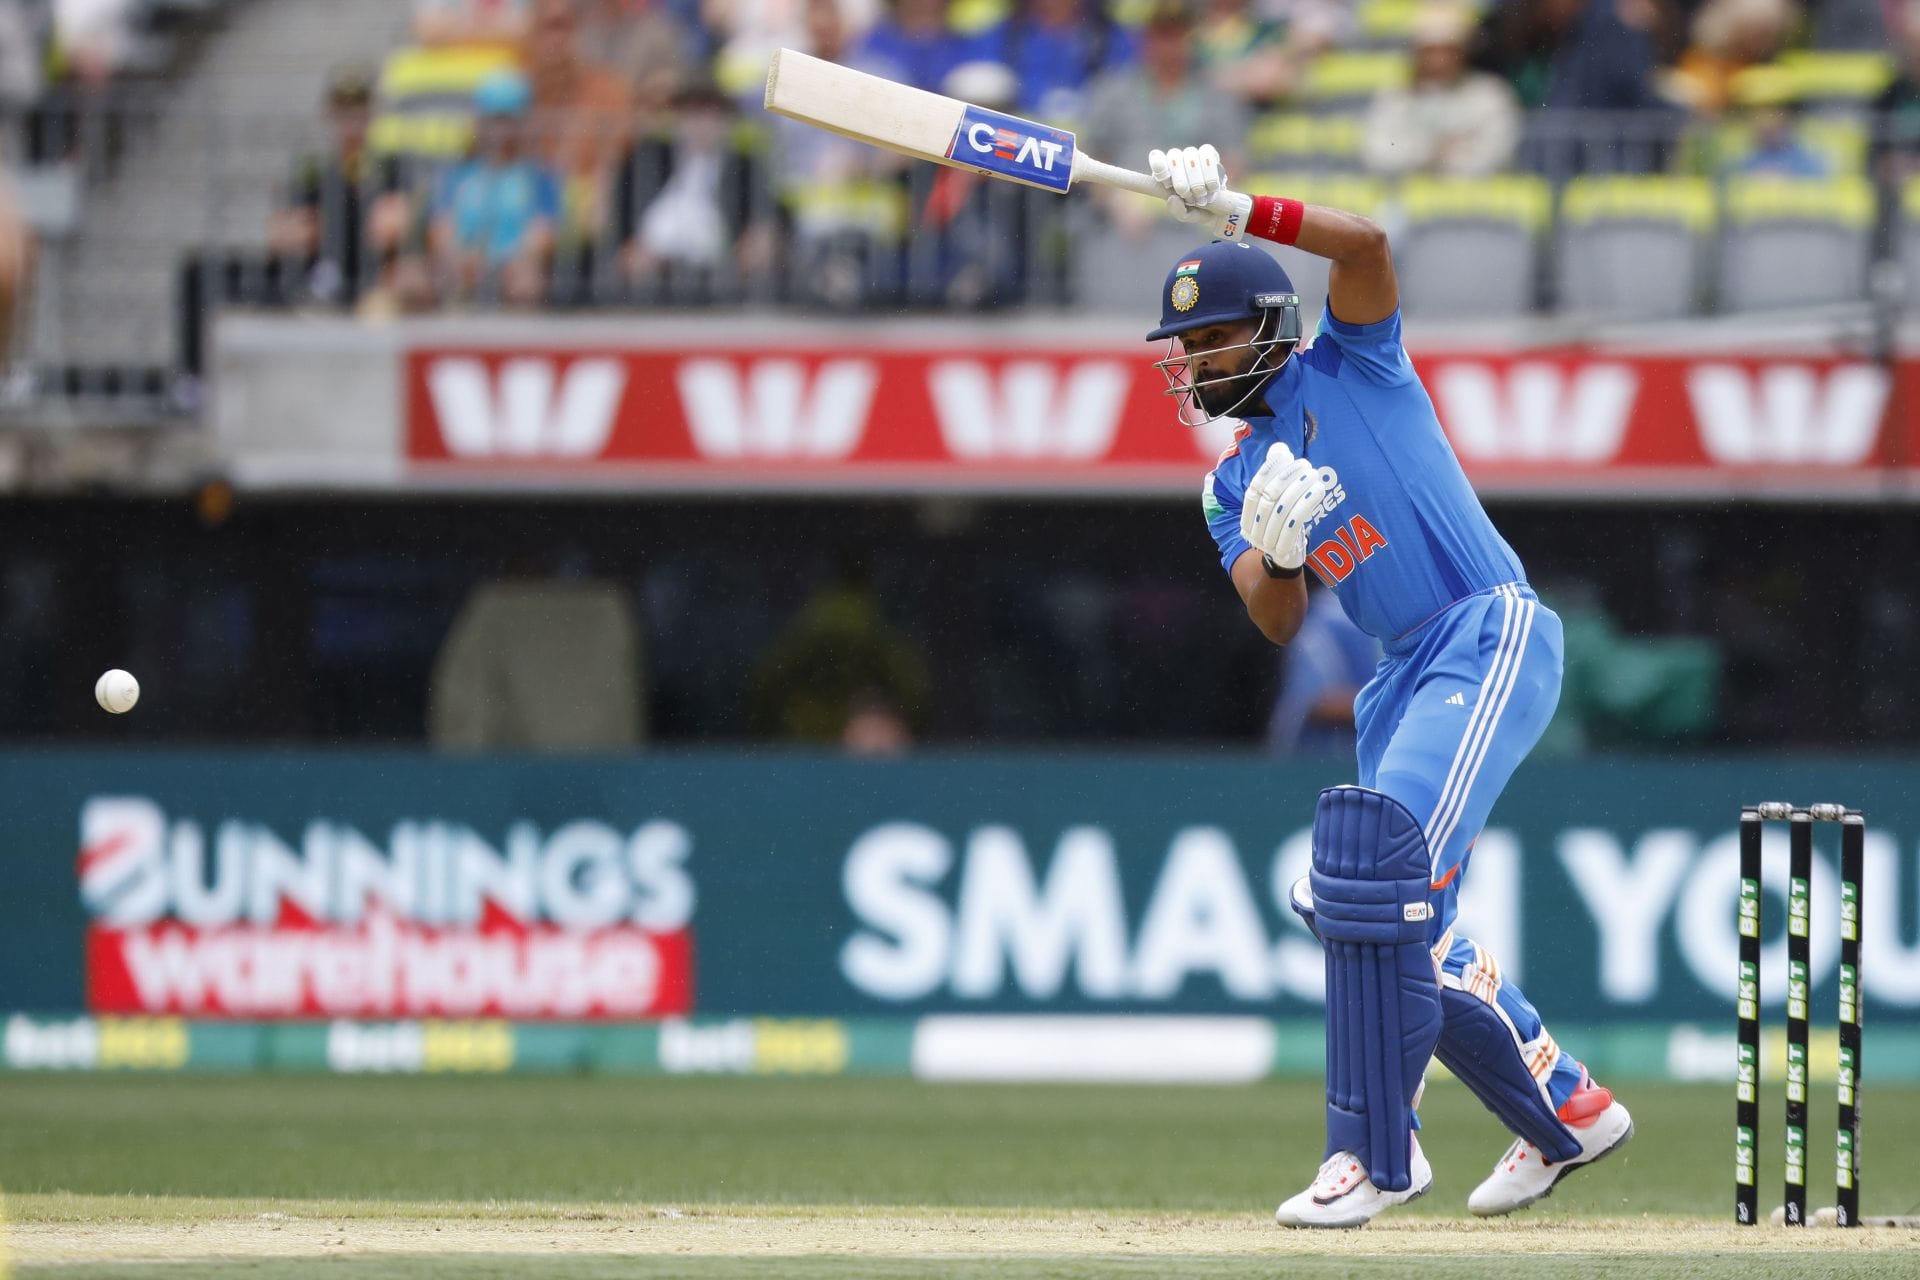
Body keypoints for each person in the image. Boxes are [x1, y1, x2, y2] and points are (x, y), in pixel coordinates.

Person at [1141, 144, 1633, 1227]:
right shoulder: (1230, 481)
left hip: (1485, 628)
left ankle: (1373, 1152)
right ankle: (1568, 1108)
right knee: (1387, 912)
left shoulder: (1356, 366)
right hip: (1398, 678)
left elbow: (1363, 245)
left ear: (1265, 325)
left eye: (1209, 336)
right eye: (1183, 346)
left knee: (1365, 880)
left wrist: (1242, 207)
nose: (1194, 361)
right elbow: (1275, 620)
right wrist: (1273, 549)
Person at [1361, 4, 1521, 177]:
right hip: (1409, 197)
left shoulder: (1492, 93)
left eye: (1448, 51)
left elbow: (1497, 152)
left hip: (1475, 197)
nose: (1439, 61)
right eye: (1430, 51)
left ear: (1464, 51)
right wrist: (1430, 152)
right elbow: (1376, 154)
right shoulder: (1395, 96)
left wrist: (1442, 162)